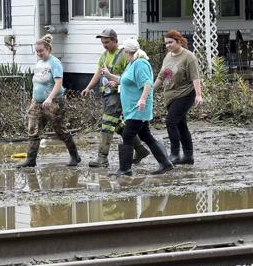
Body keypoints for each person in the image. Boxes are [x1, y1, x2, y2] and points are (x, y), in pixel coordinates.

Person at [101, 38, 173, 176]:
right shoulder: (132, 63)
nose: (122, 53)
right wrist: (109, 76)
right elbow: (124, 80)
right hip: (133, 108)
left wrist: (142, 100)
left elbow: (147, 83)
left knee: (127, 135)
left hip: (138, 108)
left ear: (127, 51)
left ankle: (125, 169)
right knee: (145, 135)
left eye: (124, 51)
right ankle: (165, 163)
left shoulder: (140, 63)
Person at [81, 29, 149, 168]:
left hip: (118, 94)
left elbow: (131, 73)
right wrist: (88, 87)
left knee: (107, 123)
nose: (104, 45)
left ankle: (102, 158)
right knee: (117, 124)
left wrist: (117, 81)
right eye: (102, 42)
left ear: (115, 40)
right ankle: (140, 150)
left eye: (107, 42)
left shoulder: (124, 54)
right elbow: (98, 73)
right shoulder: (104, 55)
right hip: (107, 94)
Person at [18, 34, 80, 168]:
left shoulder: (54, 62)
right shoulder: (39, 63)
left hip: (54, 102)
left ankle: (75, 156)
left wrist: (50, 98)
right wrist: (35, 98)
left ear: (48, 49)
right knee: (32, 129)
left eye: (41, 51)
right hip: (37, 102)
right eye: (37, 51)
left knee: (60, 130)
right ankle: (30, 159)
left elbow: (59, 82)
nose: (39, 53)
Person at [153, 30, 203, 165]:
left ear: (179, 41)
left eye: (170, 42)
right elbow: (161, 76)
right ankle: (188, 156)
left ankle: (174, 154)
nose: (168, 45)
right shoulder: (168, 56)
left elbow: (195, 77)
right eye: (166, 43)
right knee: (181, 125)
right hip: (170, 96)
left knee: (171, 121)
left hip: (185, 94)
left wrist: (198, 95)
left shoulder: (189, 57)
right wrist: (150, 92)